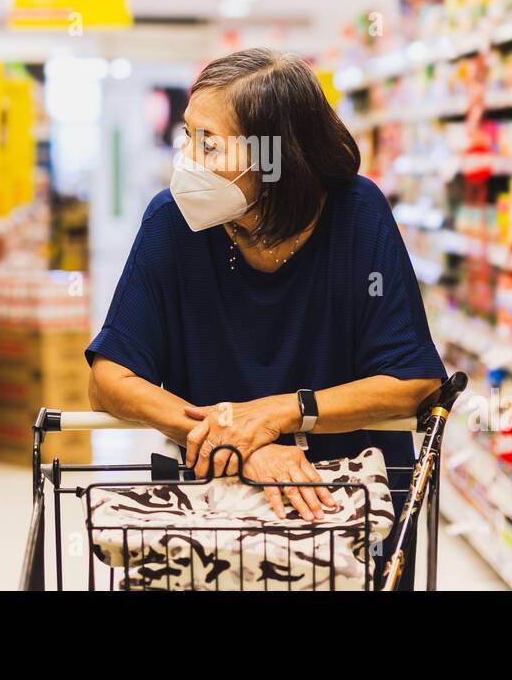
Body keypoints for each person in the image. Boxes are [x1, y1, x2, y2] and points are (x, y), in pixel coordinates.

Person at [86, 48, 446, 528]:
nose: (186, 161)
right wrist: (236, 442)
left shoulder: (357, 214)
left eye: (208, 143)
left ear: (277, 155)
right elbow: (109, 382)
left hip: (351, 505)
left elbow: (413, 382)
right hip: (215, 512)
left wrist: (281, 413)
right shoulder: (172, 223)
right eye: (187, 136)